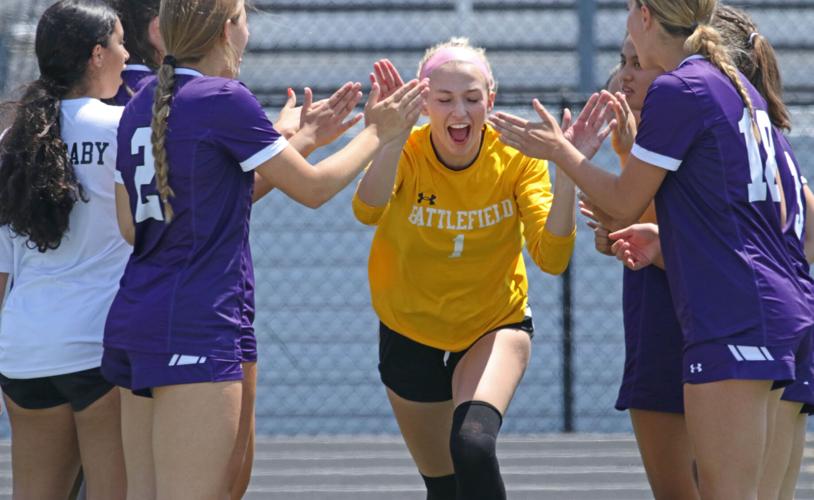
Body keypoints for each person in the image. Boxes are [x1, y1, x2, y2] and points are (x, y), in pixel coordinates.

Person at [100, 0, 428, 498]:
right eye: (245, 19)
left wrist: (303, 139)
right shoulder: (223, 98)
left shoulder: (142, 102)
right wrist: (379, 132)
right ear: (226, 31)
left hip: (136, 318)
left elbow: (136, 224)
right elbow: (314, 189)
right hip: (194, 323)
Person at [489, 0, 814, 497]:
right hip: (771, 307)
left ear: (644, 15)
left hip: (733, 311)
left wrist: (560, 150)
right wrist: (667, 241)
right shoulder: (733, 85)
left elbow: (624, 198)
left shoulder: (680, 87)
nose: (626, 67)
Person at [352, 40, 613, 499]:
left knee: (472, 447)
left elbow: (551, 258)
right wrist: (390, 137)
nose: (460, 112)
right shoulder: (408, 150)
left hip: (493, 324)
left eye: (472, 98)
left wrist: (568, 170)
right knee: (445, 488)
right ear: (423, 103)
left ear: (491, 100)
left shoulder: (516, 157)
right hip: (409, 329)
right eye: (445, 99)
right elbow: (367, 209)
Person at [0, 1, 129, 498]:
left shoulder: (13, 139)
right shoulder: (122, 127)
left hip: (24, 349)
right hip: (100, 344)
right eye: (120, 43)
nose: (127, 55)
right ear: (96, 55)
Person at [583, 35, 696, 500]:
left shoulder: (692, 136)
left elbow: (690, 246)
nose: (625, 74)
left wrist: (565, 154)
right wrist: (616, 233)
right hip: (658, 318)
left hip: (684, 326)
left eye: (639, 61)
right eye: (623, 60)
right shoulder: (639, 135)